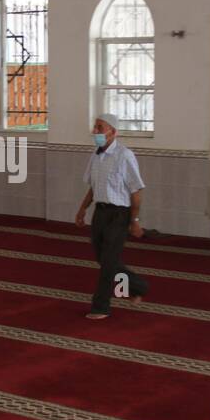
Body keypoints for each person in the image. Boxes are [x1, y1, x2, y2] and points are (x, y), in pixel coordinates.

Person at [74, 113, 149, 320]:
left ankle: (101, 306)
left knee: (108, 262)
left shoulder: (125, 156)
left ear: (113, 132)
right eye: (95, 127)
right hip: (100, 213)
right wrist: (82, 209)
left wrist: (134, 221)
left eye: (99, 127)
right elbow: (93, 188)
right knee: (103, 258)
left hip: (119, 215)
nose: (95, 131)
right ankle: (136, 287)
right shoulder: (96, 155)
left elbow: (137, 191)